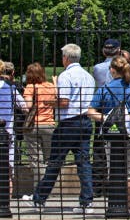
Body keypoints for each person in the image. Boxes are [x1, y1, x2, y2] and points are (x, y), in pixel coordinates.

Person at [29, 43, 95, 214]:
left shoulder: (66, 76)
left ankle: (39, 198)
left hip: (68, 123)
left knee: (55, 162)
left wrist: (48, 102)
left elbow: (64, 102)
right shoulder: (88, 76)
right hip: (85, 121)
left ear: (65, 58)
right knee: (84, 162)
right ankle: (87, 201)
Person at [87, 56, 130, 213]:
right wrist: (129, 117)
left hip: (111, 133)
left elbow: (91, 111)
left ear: (112, 70)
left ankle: (113, 205)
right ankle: (126, 207)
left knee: (112, 168)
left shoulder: (104, 89)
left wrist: (107, 118)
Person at [22, 63, 57, 191]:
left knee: (36, 159)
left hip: (33, 126)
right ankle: (48, 188)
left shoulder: (30, 87)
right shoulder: (50, 86)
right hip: (49, 124)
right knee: (49, 158)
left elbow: (28, 107)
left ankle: (39, 190)